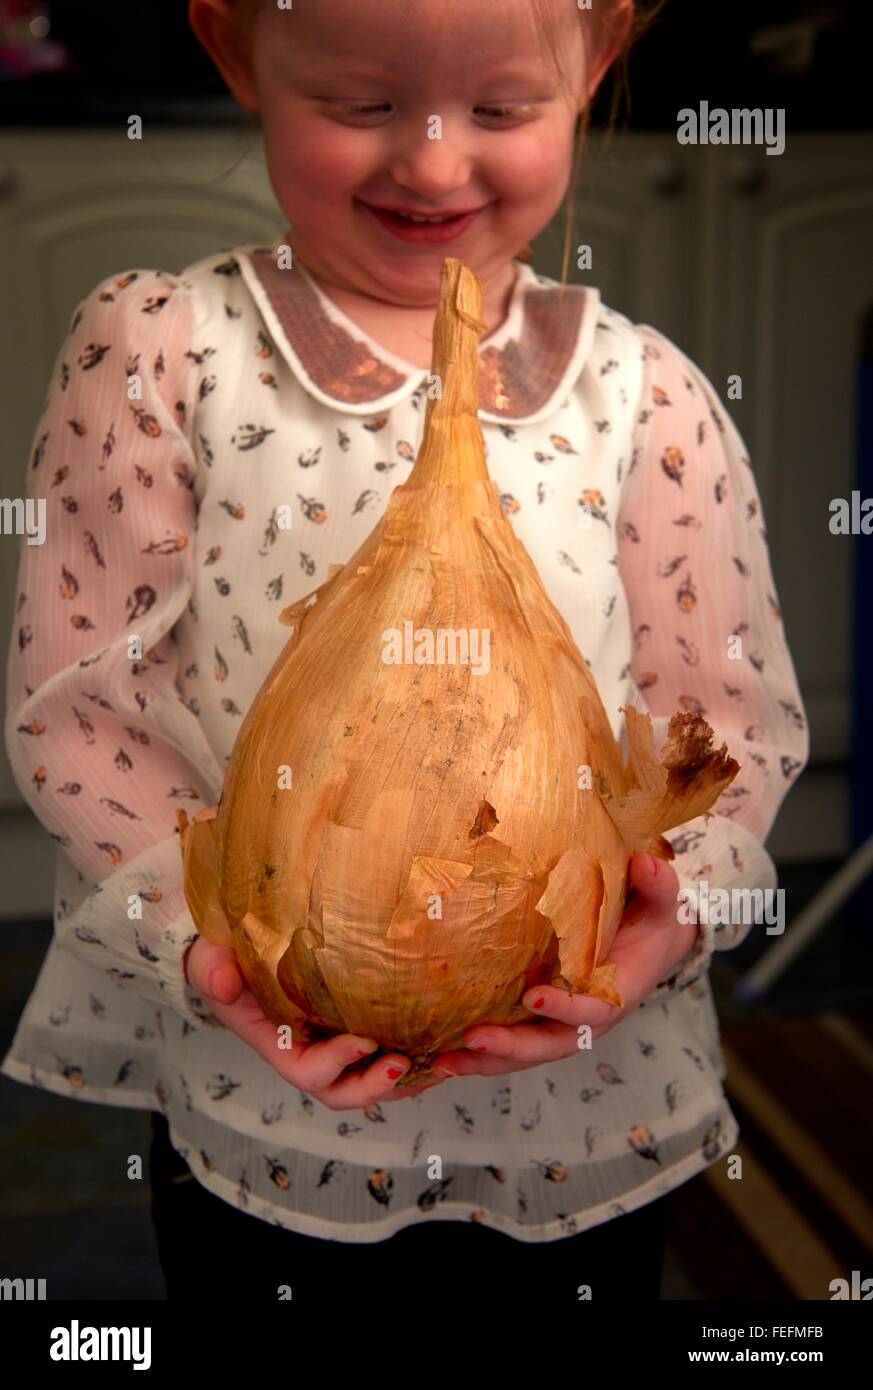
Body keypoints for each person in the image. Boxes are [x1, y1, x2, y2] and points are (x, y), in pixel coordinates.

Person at [1, 0, 809, 1302]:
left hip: (584, 1102)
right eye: (361, 104)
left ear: (594, 66)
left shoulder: (645, 397)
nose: (433, 164)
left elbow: (728, 723)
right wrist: (210, 940)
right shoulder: (162, 354)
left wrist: (673, 909)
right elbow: (78, 708)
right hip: (271, 1092)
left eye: (498, 109)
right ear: (234, 52)